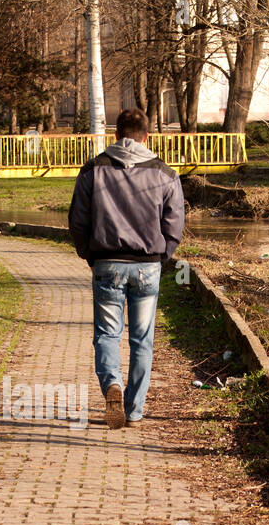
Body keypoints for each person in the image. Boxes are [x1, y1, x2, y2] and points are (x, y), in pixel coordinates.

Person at [68, 107, 185, 429]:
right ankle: (133, 411)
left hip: (107, 263)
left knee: (107, 334)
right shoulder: (165, 173)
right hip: (147, 266)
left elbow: (78, 220)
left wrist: (90, 255)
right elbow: (174, 223)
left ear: (116, 135)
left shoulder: (94, 169)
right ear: (146, 137)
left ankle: (112, 386)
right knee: (142, 339)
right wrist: (162, 256)